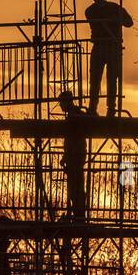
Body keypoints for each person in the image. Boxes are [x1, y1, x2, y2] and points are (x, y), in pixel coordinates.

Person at [84, 0, 134, 116]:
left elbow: (129, 22)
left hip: (112, 47)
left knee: (112, 78)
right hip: (101, 46)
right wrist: (114, 20)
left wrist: (118, 18)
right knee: (95, 79)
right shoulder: (90, 11)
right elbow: (97, 25)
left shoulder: (114, 8)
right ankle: (93, 108)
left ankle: (110, 108)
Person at [58, 91, 88, 220]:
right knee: (75, 187)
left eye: (61, 102)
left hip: (76, 156)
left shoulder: (75, 115)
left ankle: (79, 215)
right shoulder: (74, 114)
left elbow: (74, 139)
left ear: (67, 102)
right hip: (75, 156)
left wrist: (68, 156)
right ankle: (77, 214)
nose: (60, 105)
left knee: (76, 187)